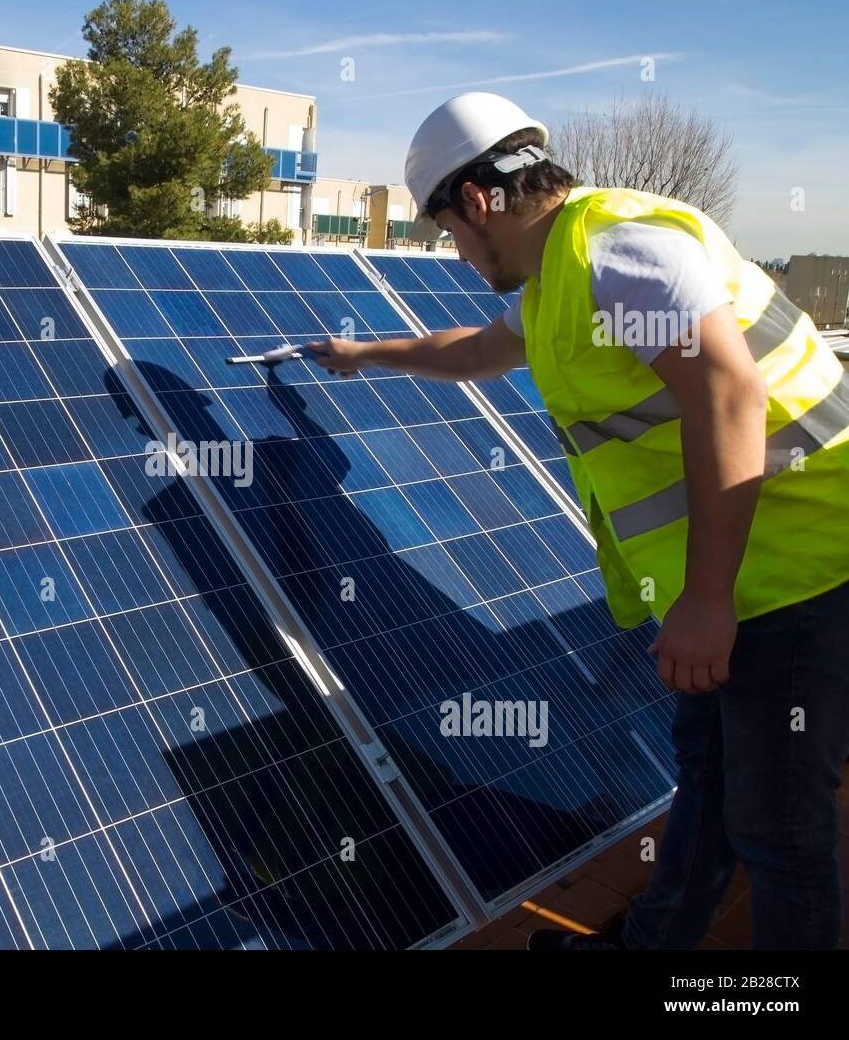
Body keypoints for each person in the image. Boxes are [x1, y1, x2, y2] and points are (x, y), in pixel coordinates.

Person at [307, 91, 849, 950]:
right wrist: (363, 354)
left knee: (779, 830)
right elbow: (479, 351)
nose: (453, 250)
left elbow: (729, 390)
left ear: (479, 201)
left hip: (798, 566)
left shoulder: (618, 250)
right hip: (744, 571)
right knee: (706, 789)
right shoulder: (561, 275)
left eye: (447, 227)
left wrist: (707, 603)